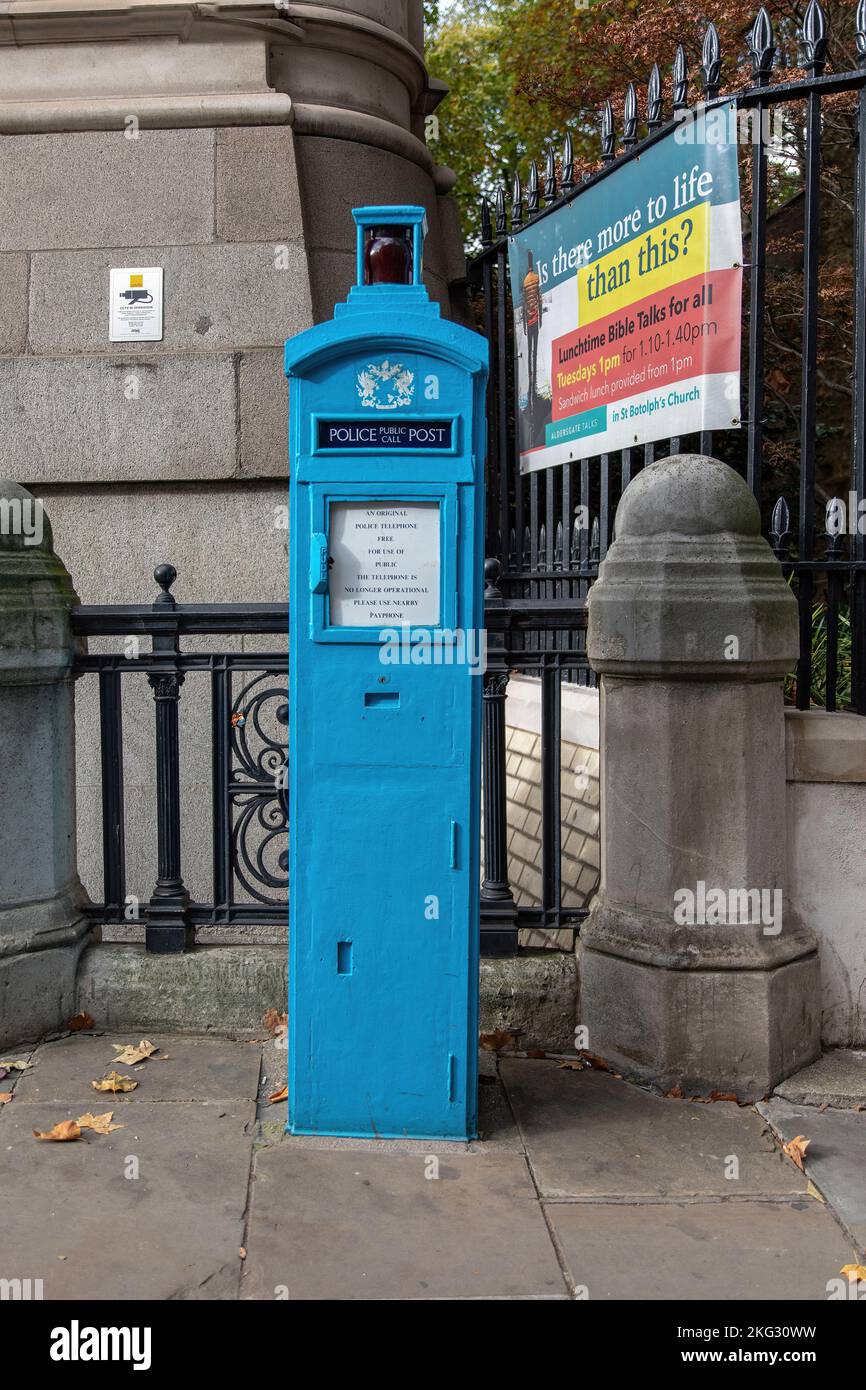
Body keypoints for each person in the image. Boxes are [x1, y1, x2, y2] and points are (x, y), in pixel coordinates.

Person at [521, 250, 542, 412]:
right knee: (534, 353)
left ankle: (531, 388)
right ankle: (533, 388)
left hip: (529, 320)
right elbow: (539, 299)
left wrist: (524, 327)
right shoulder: (535, 279)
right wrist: (540, 319)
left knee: (530, 353)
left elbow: (523, 304)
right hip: (534, 319)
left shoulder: (526, 280)